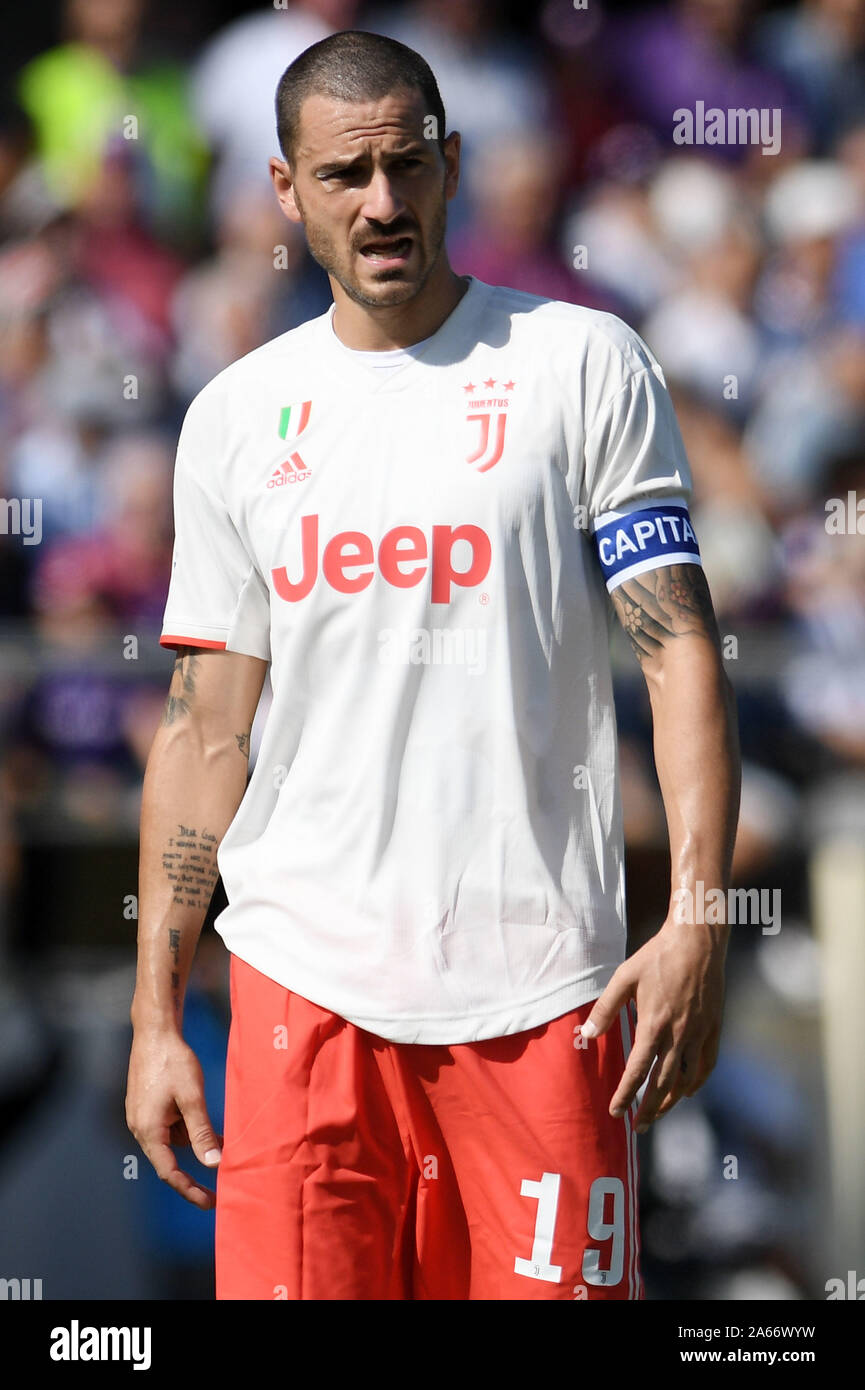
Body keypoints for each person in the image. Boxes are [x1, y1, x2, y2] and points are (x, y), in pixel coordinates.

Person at [125, 29, 740, 1301]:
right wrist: (154, 1020)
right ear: (285, 190)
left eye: (408, 165)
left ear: (454, 164)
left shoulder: (582, 363)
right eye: (345, 176)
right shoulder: (236, 416)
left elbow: (679, 646)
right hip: (303, 997)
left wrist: (696, 918)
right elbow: (203, 732)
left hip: (544, 992)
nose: (384, 203)